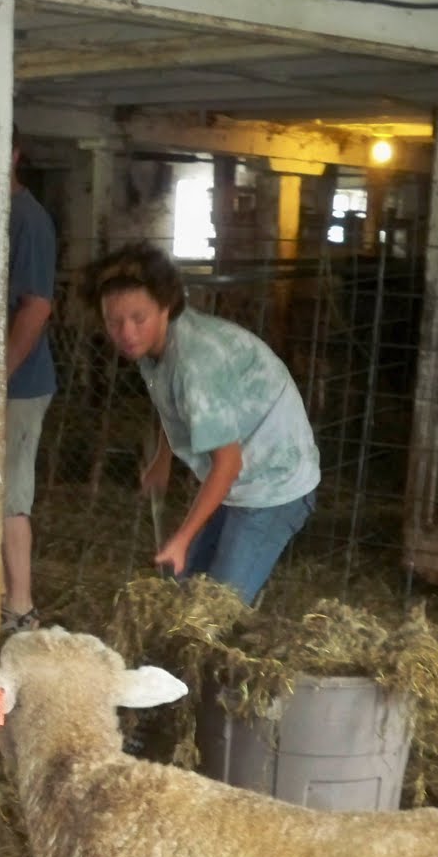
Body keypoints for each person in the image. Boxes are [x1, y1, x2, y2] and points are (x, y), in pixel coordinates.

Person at [95, 242, 319, 605]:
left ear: (165, 308)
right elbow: (180, 407)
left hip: (273, 483)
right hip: (240, 475)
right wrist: (162, 459)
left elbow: (227, 464)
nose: (127, 333)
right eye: (114, 321)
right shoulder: (153, 348)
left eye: (139, 318)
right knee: (186, 589)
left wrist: (182, 538)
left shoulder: (194, 363)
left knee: (214, 607)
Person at [2, 124, 58, 635]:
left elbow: (36, 307)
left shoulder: (29, 221)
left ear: (15, 153)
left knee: (9, 493)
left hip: (17, 384)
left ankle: (21, 607)